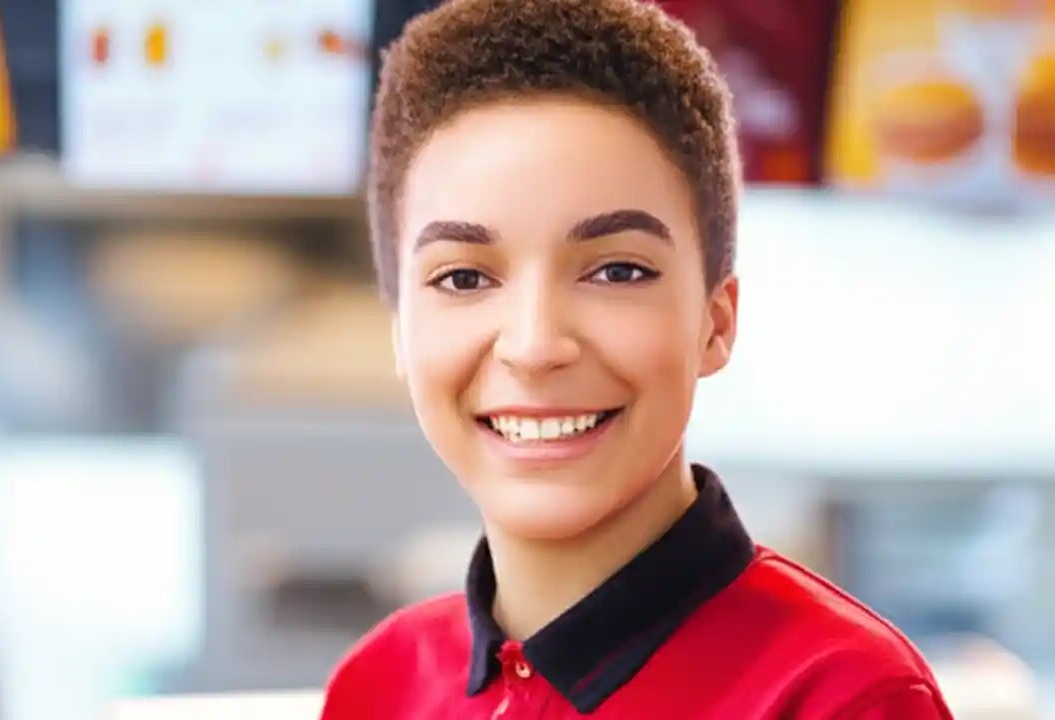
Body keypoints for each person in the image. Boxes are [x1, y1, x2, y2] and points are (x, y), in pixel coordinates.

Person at [321, 1, 953, 718]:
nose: (534, 345)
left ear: (715, 323)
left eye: (616, 272)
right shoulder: (379, 685)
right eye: (464, 278)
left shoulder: (839, 695)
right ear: (401, 332)